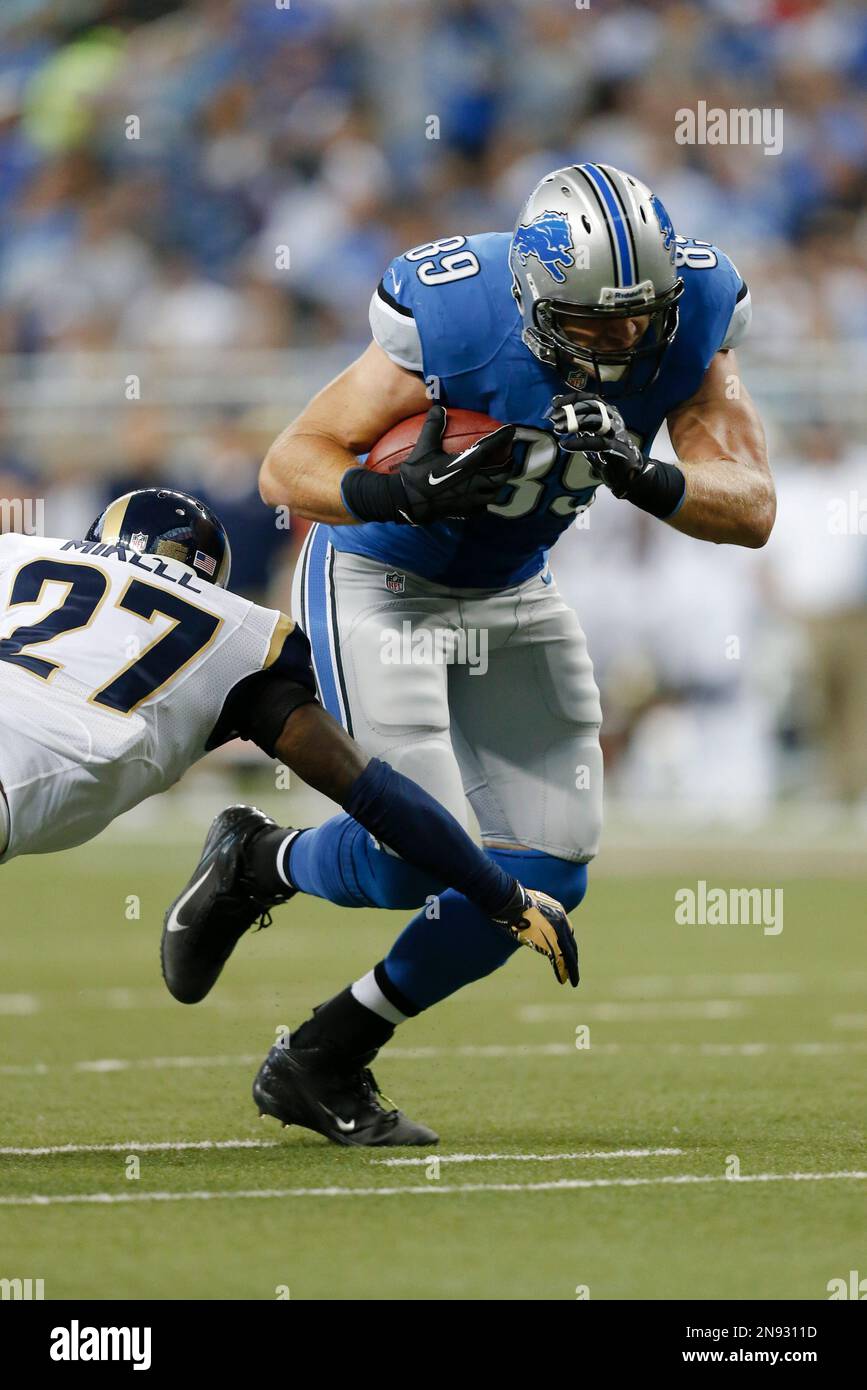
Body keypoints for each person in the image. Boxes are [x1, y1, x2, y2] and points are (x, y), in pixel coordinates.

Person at [256, 162, 776, 1128]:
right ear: (533, 299)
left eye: (640, 318)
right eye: (593, 324)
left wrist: (644, 474)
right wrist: (400, 490)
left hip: (509, 585)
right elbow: (288, 466)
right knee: (418, 853)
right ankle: (263, 861)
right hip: (381, 574)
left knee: (549, 865)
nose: (623, 341)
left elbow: (751, 508)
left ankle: (327, 1050)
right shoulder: (453, 312)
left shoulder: (698, 307)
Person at [0, 487, 577, 1146]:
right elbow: (373, 795)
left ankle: (258, 863)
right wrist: (500, 895)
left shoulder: (17, 553)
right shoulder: (238, 633)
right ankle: (259, 860)